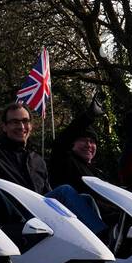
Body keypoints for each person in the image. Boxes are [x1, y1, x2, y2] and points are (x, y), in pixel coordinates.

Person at [0, 80, 107, 236]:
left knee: (85, 199)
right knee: (64, 191)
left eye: (25, 121)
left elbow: (48, 195)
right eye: (15, 122)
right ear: (4, 127)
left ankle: (92, 244)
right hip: (17, 219)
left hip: (44, 217)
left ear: (31, 126)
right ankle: (103, 239)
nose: (21, 127)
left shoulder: (37, 160)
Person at [48, 93, 119, 229]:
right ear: (72, 143)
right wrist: (88, 116)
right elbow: (62, 143)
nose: (88, 145)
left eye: (92, 142)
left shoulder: (98, 173)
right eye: (83, 140)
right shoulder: (64, 161)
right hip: (81, 228)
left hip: (113, 221)